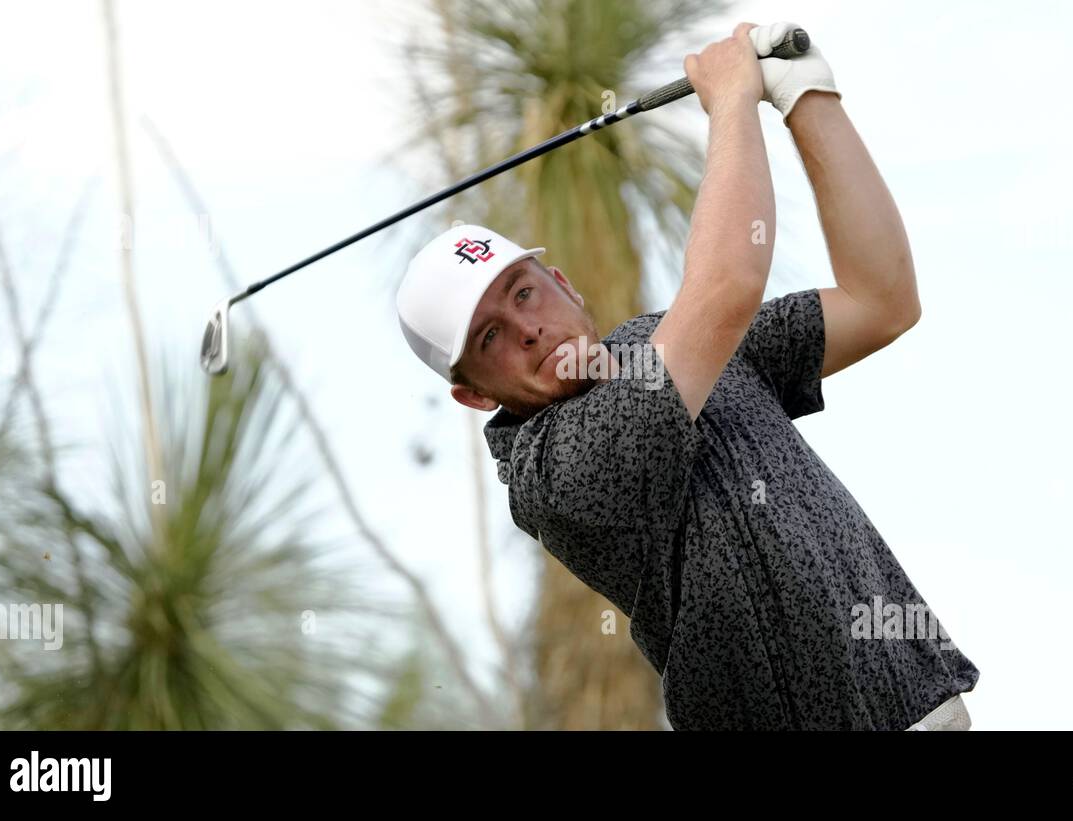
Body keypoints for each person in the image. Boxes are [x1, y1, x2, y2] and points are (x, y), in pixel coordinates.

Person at [396, 21, 979, 730]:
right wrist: (732, 101)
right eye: (490, 336)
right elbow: (728, 282)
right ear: (474, 393)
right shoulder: (554, 470)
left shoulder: (662, 342)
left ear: (561, 283)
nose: (528, 328)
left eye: (522, 292)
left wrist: (806, 94)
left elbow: (881, 300)